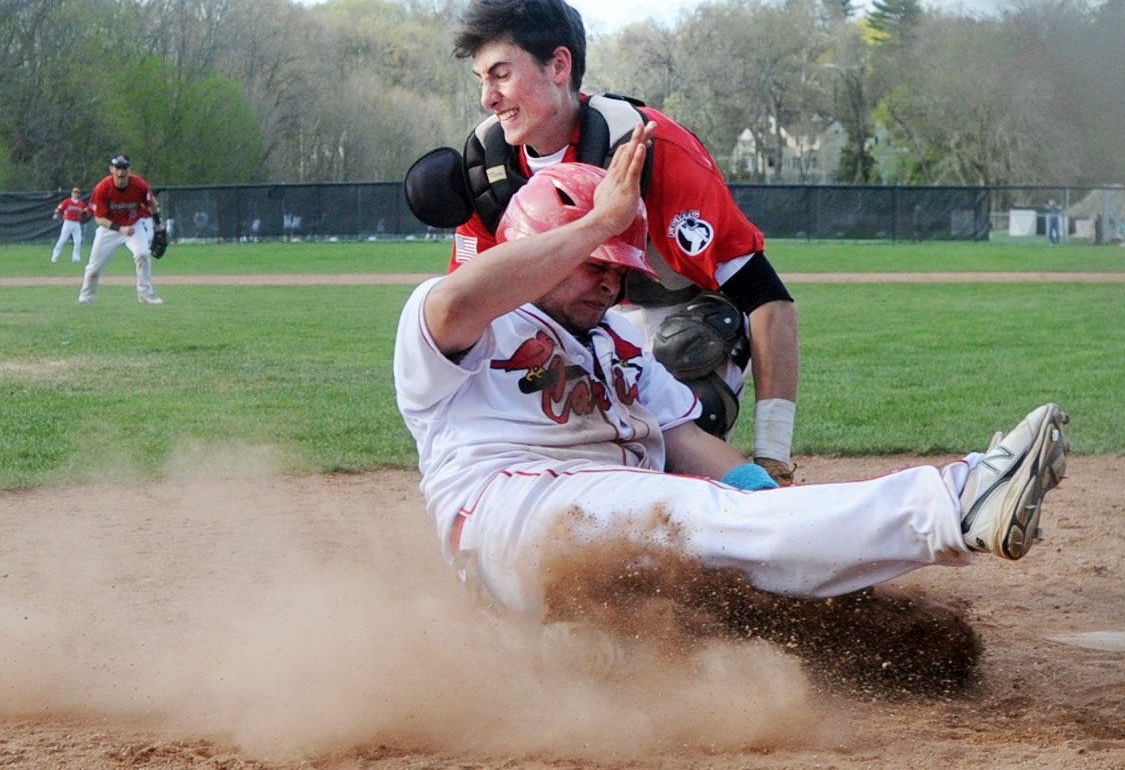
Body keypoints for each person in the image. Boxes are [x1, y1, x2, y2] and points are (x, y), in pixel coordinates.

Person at [393, 127, 1071, 617]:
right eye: (594, 265)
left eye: (618, 271)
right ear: (532, 245)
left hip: (594, 534)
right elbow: (460, 297)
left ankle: (587, 656)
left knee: (733, 567)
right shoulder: (470, 323)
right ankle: (957, 500)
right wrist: (597, 221)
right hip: (514, 511)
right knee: (692, 518)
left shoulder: (615, 342)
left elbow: (689, 441)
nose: (610, 285)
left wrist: (765, 496)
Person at [404, 0, 800, 484]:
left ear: (559, 66)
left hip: (655, 330)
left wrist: (772, 452)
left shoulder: (644, 150)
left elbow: (768, 302)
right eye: (481, 80)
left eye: (501, 74)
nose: (488, 97)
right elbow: (467, 308)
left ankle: (695, 489)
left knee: (695, 341)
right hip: (559, 335)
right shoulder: (489, 167)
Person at [78, 153, 165, 305]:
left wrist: (158, 225)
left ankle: (145, 294)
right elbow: (99, 219)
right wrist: (120, 229)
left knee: (143, 253)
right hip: (109, 228)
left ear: (129, 169)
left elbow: (151, 204)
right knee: (94, 267)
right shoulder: (102, 188)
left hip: (133, 225)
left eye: (124, 168)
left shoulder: (139, 185)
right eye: (117, 168)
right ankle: (86, 298)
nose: (121, 172)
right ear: (111, 169)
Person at [50, 186, 88, 263]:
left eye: (77, 193)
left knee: (78, 241)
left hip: (76, 223)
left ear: (78, 195)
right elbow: (59, 208)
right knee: (63, 239)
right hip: (68, 222)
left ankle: (76, 258)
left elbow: (85, 212)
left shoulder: (81, 203)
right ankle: (55, 256)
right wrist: (56, 214)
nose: (75, 194)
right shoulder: (67, 201)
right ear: (71, 194)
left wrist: (85, 213)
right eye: (74, 192)